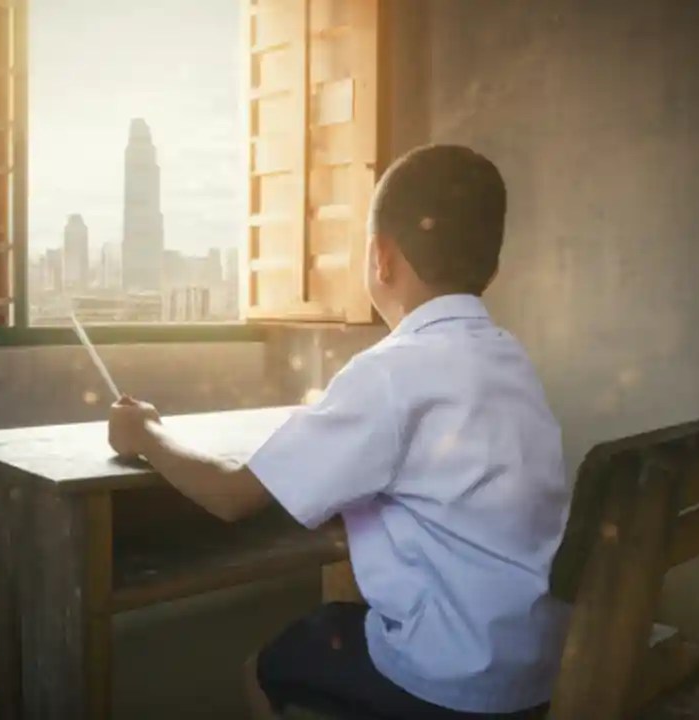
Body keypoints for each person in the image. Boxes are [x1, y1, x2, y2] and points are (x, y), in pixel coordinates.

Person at [109, 144, 570, 719]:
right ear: (492, 269)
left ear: (380, 258)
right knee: (342, 621)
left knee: (263, 668)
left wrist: (145, 433)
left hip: (450, 683)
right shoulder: (510, 360)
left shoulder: (390, 370)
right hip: (535, 671)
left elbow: (230, 497)